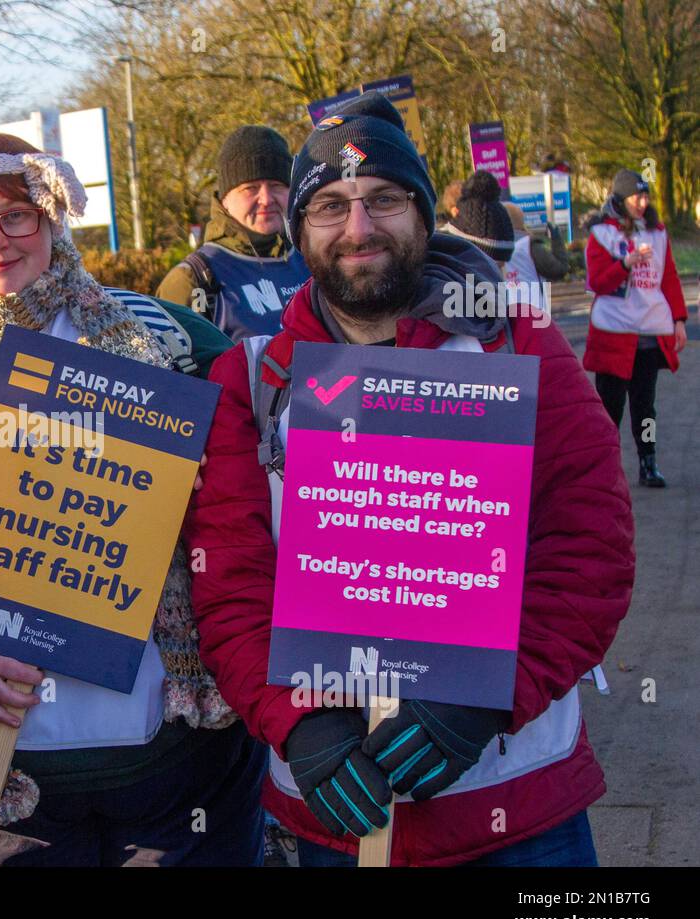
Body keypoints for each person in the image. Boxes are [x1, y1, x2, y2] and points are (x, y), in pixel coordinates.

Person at [183, 92, 635, 867]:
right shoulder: (255, 378)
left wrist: (488, 693)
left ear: (425, 215)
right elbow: (227, 584)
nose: (358, 229)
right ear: (300, 229)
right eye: (330, 206)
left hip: (519, 812)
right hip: (342, 809)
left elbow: (590, 548)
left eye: (383, 200)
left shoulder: (513, 346)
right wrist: (301, 721)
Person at [0, 130, 266, 866]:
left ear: (51, 219)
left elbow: (273, 412)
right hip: (6, 773)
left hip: (168, 751)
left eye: (17, 215)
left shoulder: (158, 335)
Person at [582, 168, 688, 488]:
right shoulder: (602, 234)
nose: (642, 202)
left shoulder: (657, 232)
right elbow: (597, 283)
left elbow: (668, 277)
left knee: (645, 408)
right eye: (635, 196)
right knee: (609, 409)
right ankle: (606, 468)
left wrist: (679, 321)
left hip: (650, 333)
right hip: (613, 332)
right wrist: (625, 264)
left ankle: (648, 462)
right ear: (620, 198)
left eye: (645, 196)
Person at [157, 125, 309, 342]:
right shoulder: (193, 280)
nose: (266, 199)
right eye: (251, 188)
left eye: (276, 185)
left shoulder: (310, 259)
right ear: (225, 198)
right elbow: (168, 370)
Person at [502, 200, 569, 315]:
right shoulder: (529, 246)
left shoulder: (491, 248)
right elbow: (558, 270)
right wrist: (557, 241)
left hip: (506, 317)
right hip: (534, 314)